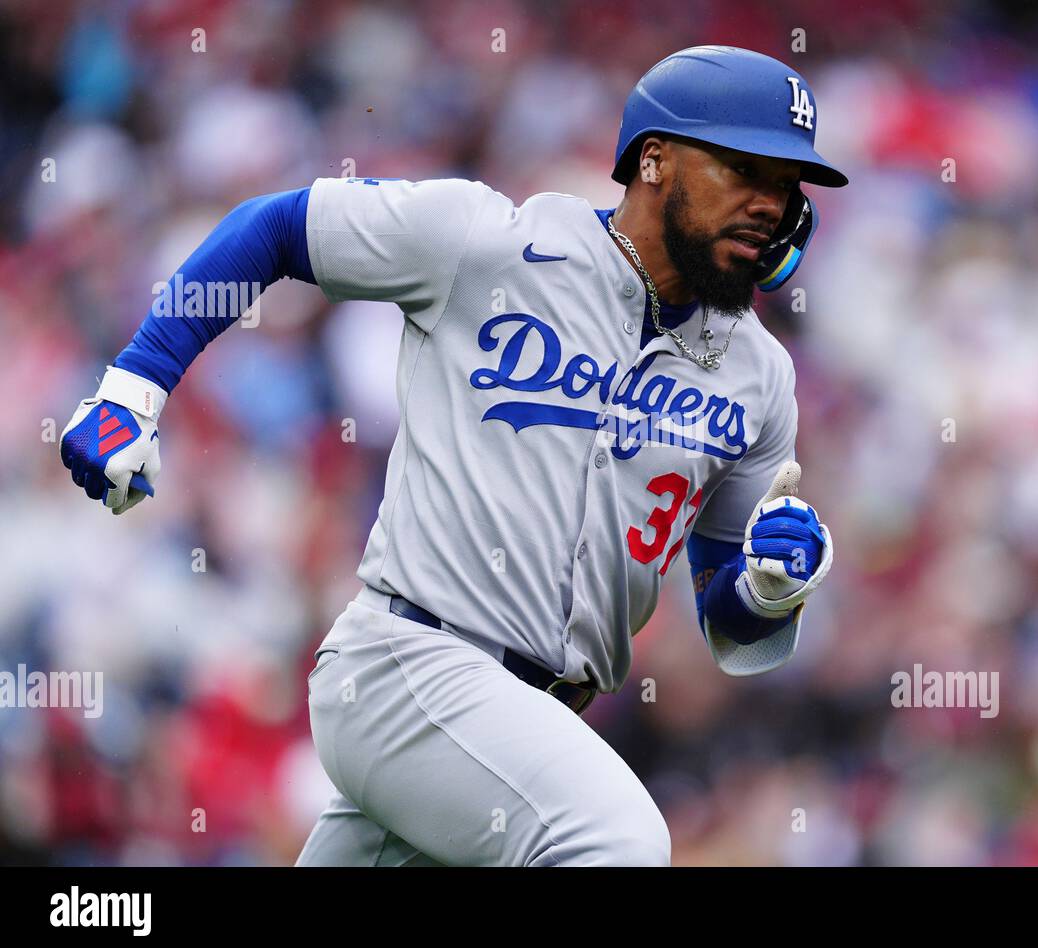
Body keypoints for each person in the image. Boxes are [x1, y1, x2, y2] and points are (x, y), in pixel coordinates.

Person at [58, 45, 845, 866]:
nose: (770, 203)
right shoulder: (489, 242)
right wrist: (136, 385)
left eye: (786, 185)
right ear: (654, 159)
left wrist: (767, 589)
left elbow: (729, 619)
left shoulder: (761, 375)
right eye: (744, 170)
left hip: (521, 734)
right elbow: (278, 228)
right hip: (408, 665)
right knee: (617, 839)